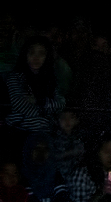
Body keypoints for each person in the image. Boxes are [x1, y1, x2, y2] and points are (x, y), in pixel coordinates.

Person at [3, 36, 65, 164]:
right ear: (25, 54)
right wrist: (45, 110)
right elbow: (20, 105)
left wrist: (38, 101)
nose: (36, 58)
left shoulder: (51, 80)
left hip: (45, 135)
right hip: (20, 133)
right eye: (32, 53)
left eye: (41, 53)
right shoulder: (15, 78)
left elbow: (61, 103)